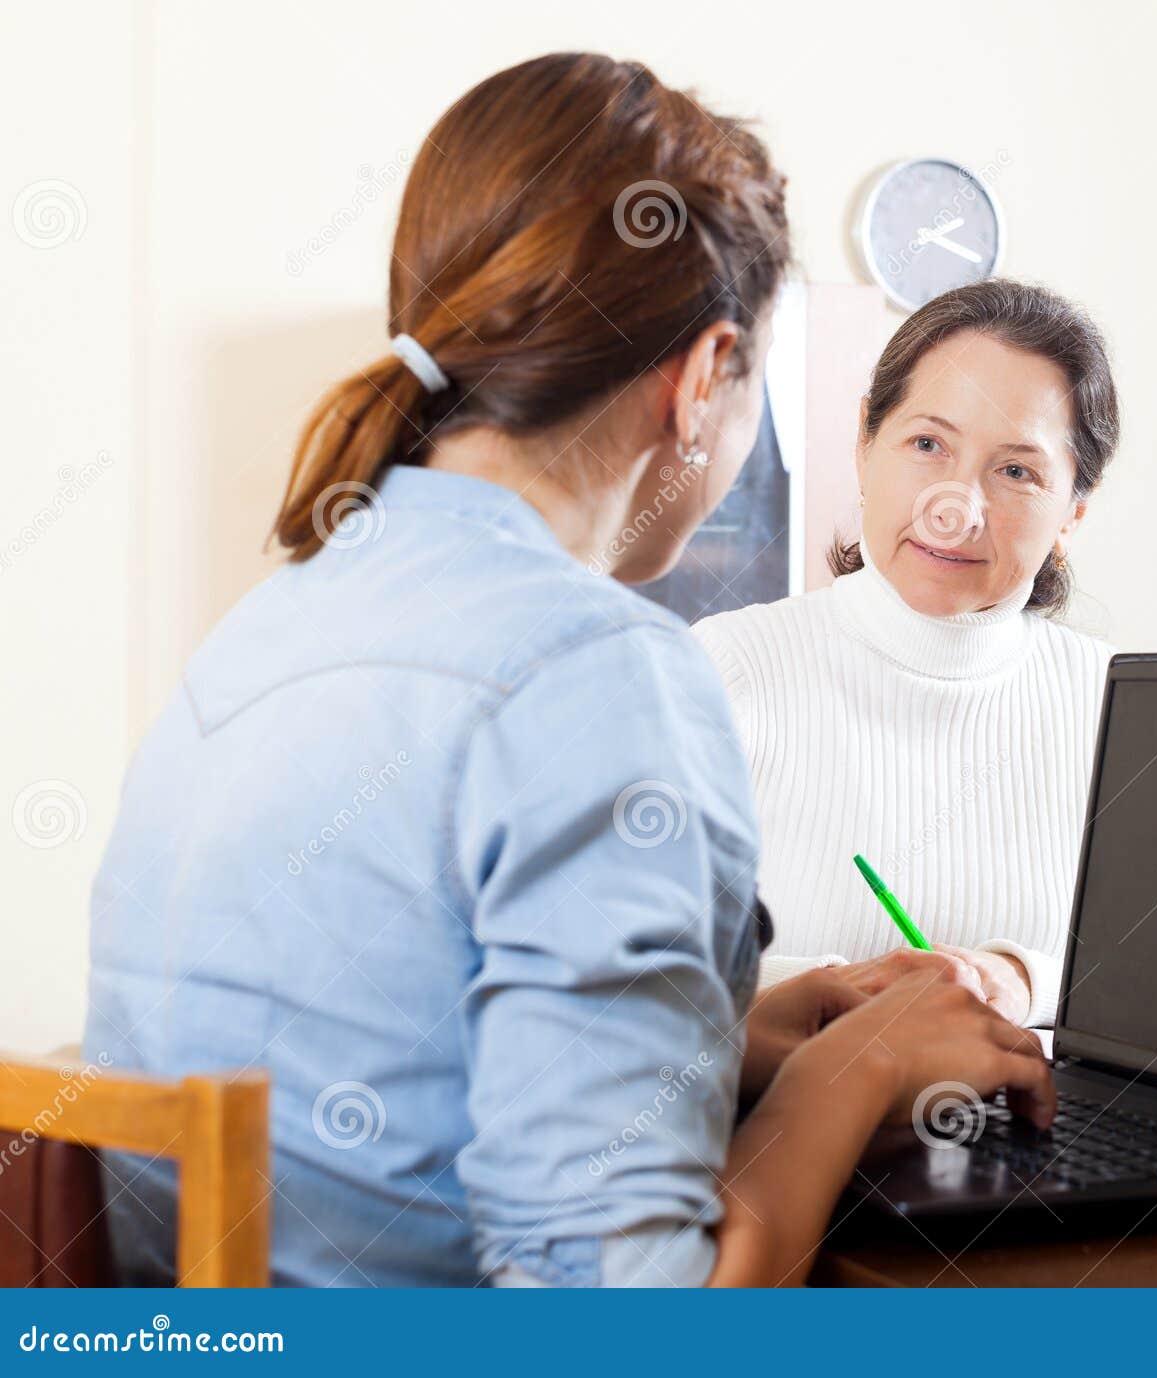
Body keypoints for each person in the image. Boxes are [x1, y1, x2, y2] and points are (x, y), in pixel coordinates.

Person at [81, 53, 1053, 1288]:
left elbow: (391, 1066)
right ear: (702, 379)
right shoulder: (599, 678)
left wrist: (736, 1045)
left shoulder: (267, 625)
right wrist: (854, 1072)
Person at [693, 280, 1121, 1027]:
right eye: (928, 445)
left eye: (1016, 471)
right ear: (865, 445)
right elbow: (627, 976)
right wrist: (848, 993)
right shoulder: (722, 669)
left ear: (1073, 512)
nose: (955, 509)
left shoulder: (1115, 703)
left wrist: (1024, 981)